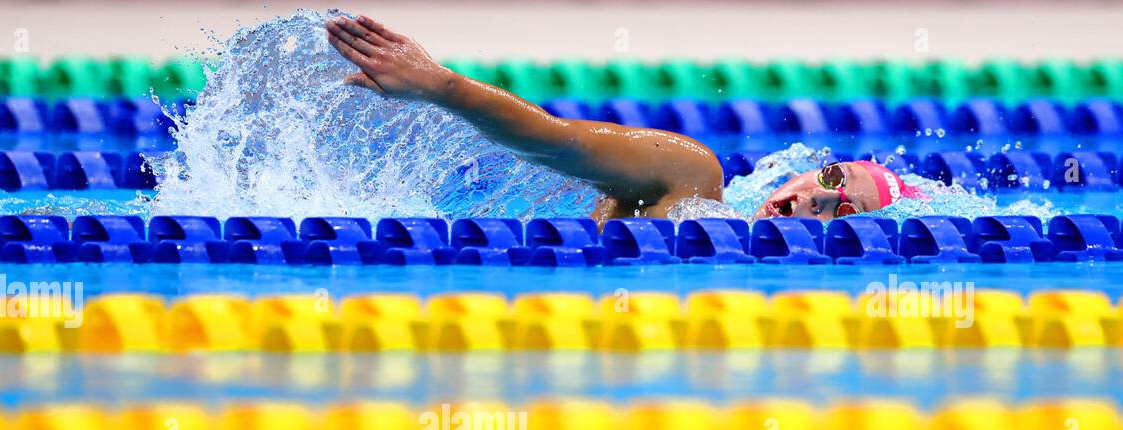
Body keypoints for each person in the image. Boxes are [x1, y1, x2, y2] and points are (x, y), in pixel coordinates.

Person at [325, 14, 922, 223]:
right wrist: (444, 87)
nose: (811, 200)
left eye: (843, 211)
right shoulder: (691, 180)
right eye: (829, 179)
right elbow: (560, 143)